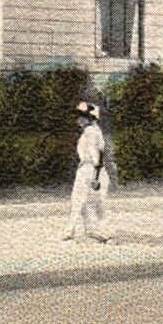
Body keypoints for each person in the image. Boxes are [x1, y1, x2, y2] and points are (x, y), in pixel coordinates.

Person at [62, 101, 111, 243]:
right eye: (78, 116)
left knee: (80, 200)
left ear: (91, 117)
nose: (78, 119)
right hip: (92, 169)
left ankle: (73, 231)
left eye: (82, 116)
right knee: (91, 201)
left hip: (89, 170)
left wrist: (96, 176)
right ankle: (84, 230)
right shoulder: (95, 130)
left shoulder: (89, 132)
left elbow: (96, 155)